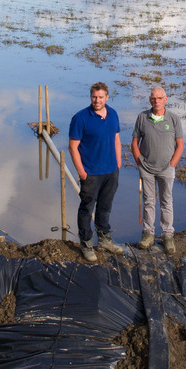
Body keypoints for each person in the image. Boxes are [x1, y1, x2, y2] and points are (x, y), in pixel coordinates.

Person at [67, 81, 123, 262]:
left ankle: (104, 239)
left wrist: (118, 164)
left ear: (107, 97)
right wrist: (82, 172)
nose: (97, 100)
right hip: (91, 173)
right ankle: (86, 243)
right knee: (86, 208)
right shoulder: (80, 118)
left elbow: (116, 139)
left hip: (111, 171)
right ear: (90, 96)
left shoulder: (113, 114)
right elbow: (73, 147)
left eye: (100, 97)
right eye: (94, 97)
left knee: (105, 207)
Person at [131, 86, 184, 254]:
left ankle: (167, 236)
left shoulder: (174, 119)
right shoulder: (142, 117)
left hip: (166, 169)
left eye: (159, 98)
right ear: (150, 100)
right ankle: (148, 234)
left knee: (166, 201)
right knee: (148, 201)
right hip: (146, 168)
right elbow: (134, 143)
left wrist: (172, 164)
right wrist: (139, 161)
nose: (156, 101)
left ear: (165, 99)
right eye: (153, 98)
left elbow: (180, 145)